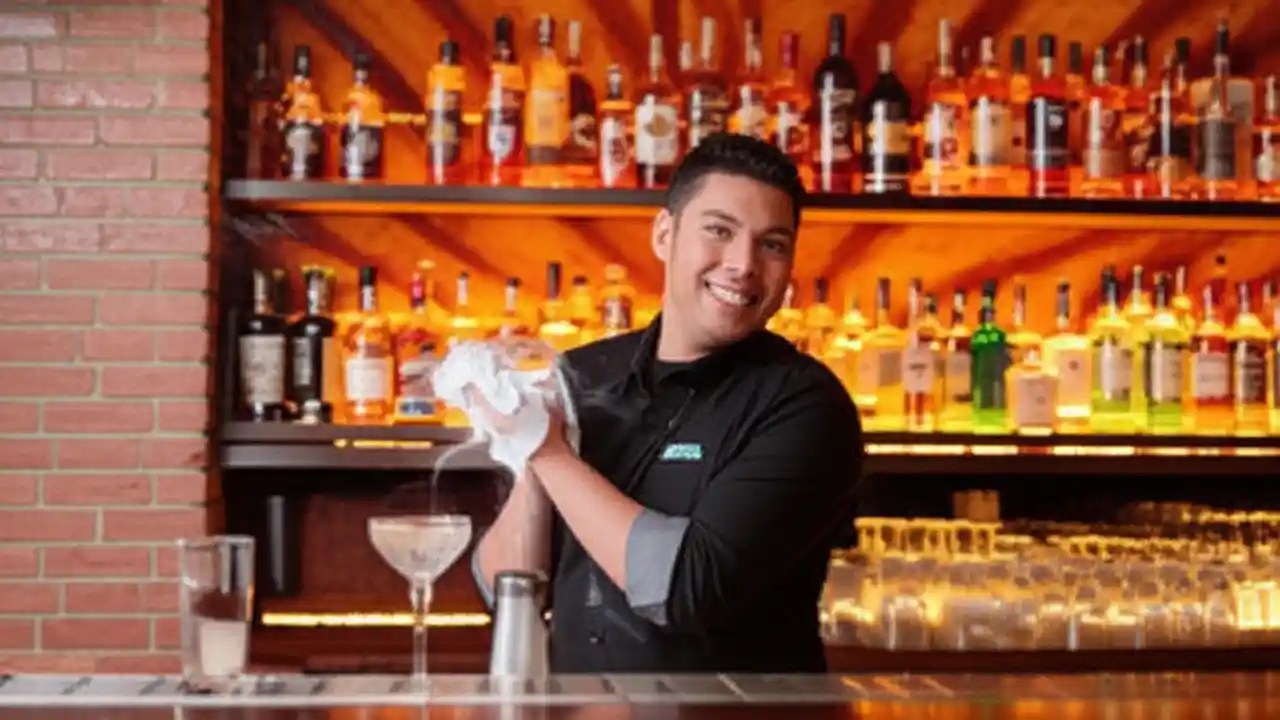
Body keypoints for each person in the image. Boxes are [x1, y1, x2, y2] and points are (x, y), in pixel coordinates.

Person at [472, 133, 863, 673]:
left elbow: (684, 590)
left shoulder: (807, 408)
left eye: (772, 244)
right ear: (664, 233)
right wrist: (533, 451)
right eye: (719, 231)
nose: (743, 264)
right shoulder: (583, 374)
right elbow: (507, 590)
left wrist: (550, 454)